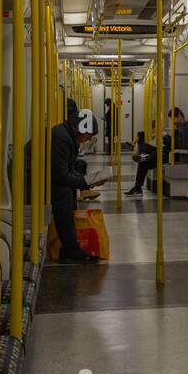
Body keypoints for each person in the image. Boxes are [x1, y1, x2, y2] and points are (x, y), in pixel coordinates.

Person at [51, 98, 108, 263]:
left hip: (39, 178)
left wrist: (87, 181)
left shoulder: (66, 136)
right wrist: (85, 182)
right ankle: (69, 248)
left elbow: (67, 170)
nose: (89, 140)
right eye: (89, 135)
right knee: (63, 194)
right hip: (28, 184)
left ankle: (71, 242)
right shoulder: (62, 139)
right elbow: (61, 175)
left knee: (67, 191)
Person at [125, 125, 171, 196]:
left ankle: (144, 157)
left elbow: (172, 144)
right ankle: (137, 188)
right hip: (161, 151)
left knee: (145, 161)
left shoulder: (182, 130)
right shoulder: (174, 129)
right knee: (143, 142)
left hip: (167, 154)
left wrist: (165, 136)